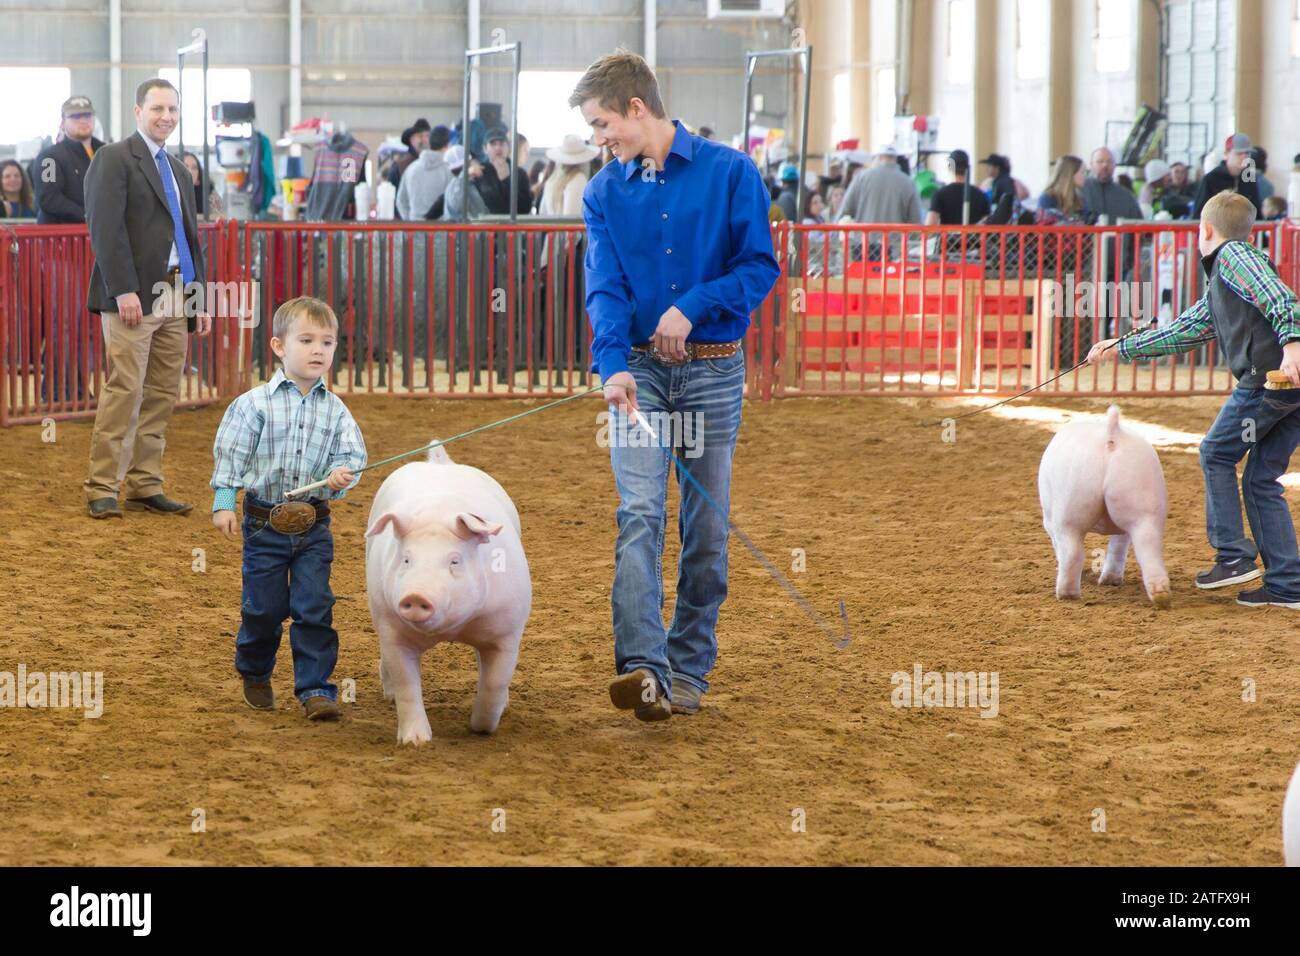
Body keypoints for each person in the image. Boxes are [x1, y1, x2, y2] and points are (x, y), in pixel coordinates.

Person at [572, 48, 780, 720]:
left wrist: (690, 305)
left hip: (714, 369)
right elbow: (603, 287)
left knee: (706, 528)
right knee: (638, 514)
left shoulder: (731, 173)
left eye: (602, 124)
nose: (598, 140)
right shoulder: (603, 192)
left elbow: (759, 268)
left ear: (638, 108)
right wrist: (612, 366)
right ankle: (644, 669)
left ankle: (690, 667)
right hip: (639, 377)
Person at [1087, 191, 1300, 610]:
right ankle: (1287, 584)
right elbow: (1185, 331)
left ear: (1204, 229)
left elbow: (1283, 300)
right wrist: (1121, 347)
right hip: (1289, 387)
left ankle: (1233, 557)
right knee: (1259, 479)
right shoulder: (1225, 279)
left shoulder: (1235, 256)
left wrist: (1293, 342)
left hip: (1269, 380)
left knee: (1216, 453)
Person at [210, 296, 368, 719]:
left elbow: (352, 455)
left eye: (328, 342)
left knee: (314, 605)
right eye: (307, 340)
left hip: (314, 525)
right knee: (263, 609)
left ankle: (316, 689)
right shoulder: (253, 404)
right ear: (279, 347)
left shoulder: (336, 410)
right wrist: (224, 502)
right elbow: (231, 456)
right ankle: (255, 671)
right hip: (264, 524)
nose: (319, 350)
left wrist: (340, 476)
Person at [82, 78, 211, 519]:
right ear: (138, 111)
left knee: (161, 392)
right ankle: (103, 486)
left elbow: (189, 238)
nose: (166, 117)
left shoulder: (178, 168)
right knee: (125, 390)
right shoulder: (112, 159)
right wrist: (123, 290)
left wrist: (198, 300)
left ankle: (144, 483)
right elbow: (105, 229)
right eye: (157, 108)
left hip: (175, 293)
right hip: (133, 297)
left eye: (172, 110)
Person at [34, 95, 105, 224]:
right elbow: (49, 199)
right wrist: (88, 215)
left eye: (87, 115)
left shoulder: (106, 152)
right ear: (62, 123)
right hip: (61, 236)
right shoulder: (49, 158)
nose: (83, 121)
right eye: (75, 116)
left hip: (98, 233)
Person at [840, 144, 922, 224]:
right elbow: (915, 220)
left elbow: (845, 211)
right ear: (895, 158)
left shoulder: (861, 178)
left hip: (864, 236)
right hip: (896, 237)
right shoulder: (908, 183)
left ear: (879, 157)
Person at [1194, 133, 1261, 218]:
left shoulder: (1249, 179)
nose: (1244, 157)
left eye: (1247, 153)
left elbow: (1256, 211)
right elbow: (1199, 213)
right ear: (1226, 154)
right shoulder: (1211, 179)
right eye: (1239, 153)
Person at [395, 122, 452, 220]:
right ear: (447, 145)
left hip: (414, 230)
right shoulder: (449, 170)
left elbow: (401, 201)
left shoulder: (411, 169)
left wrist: (410, 221)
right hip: (441, 231)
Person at [477, 127, 533, 215]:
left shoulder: (520, 174)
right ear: (485, 149)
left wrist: (507, 181)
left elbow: (525, 208)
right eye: (493, 144)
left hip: (511, 226)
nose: (498, 148)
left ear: (508, 148)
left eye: (502, 144)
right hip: (485, 226)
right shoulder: (480, 172)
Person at [539, 134, 599, 216]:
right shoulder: (578, 178)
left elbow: (543, 211)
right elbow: (571, 216)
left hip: (553, 227)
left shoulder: (553, 178)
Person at [926, 149, 990, 226]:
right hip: (973, 237)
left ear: (949, 167)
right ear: (968, 167)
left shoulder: (940, 194)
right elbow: (986, 223)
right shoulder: (981, 195)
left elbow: (930, 225)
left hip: (947, 237)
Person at [1082, 147, 1143, 221]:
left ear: (1115, 166)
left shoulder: (1126, 196)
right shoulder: (1081, 191)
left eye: (1109, 162)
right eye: (1100, 161)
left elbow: (1138, 224)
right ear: (1091, 165)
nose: (1105, 165)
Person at [1036, 154, 1088, 224]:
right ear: (1070, 174)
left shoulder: (1079, 199)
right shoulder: (1047, 198)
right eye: (1082, 172)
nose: (1085, 176)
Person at [387, 117, 431, 190]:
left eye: (427, 136)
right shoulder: (399, 167)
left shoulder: (436, 164)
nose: (425, 140)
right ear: (412, 140)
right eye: (420, 136)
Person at [181, 151, 222, 219]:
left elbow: (220, 217)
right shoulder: (169, 190)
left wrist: (195, 217)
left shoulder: (208, 190)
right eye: (185, 166)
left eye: (194, 168)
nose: (190, 171)